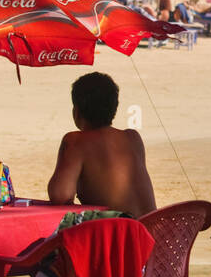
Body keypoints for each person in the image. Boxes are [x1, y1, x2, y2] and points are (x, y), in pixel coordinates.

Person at [47, 72, 157, 217]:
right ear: (114, 108)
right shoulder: (133, 138)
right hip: (153, 234)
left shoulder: (75, 141)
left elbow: (60, 195)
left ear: (77, 111)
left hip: (121, 235)